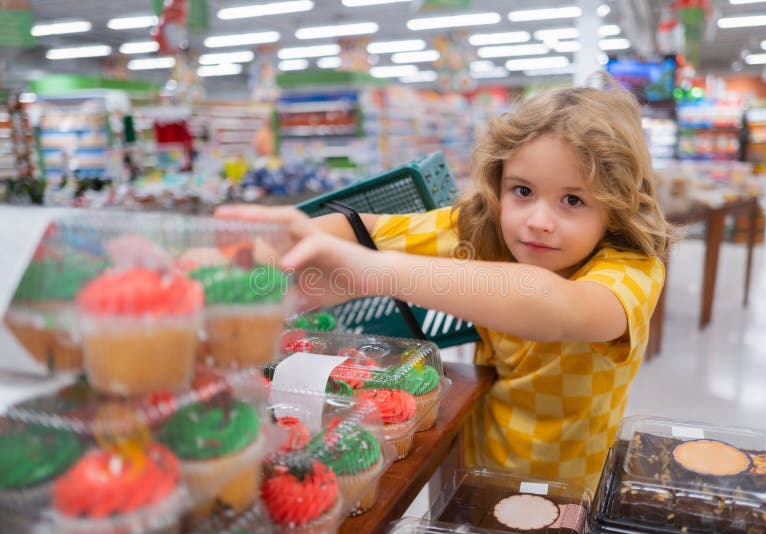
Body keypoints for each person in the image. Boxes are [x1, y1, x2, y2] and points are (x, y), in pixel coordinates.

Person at [216, 73, 672, 490]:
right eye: (523, 190)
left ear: (616, 206)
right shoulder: (485, 227)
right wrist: (255, 260)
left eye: (572, 200)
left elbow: (558, 309)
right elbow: (365, 230)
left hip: (570, 490)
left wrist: (374, 272)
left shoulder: (631, 268)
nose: (538, 221)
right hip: (467, 465)